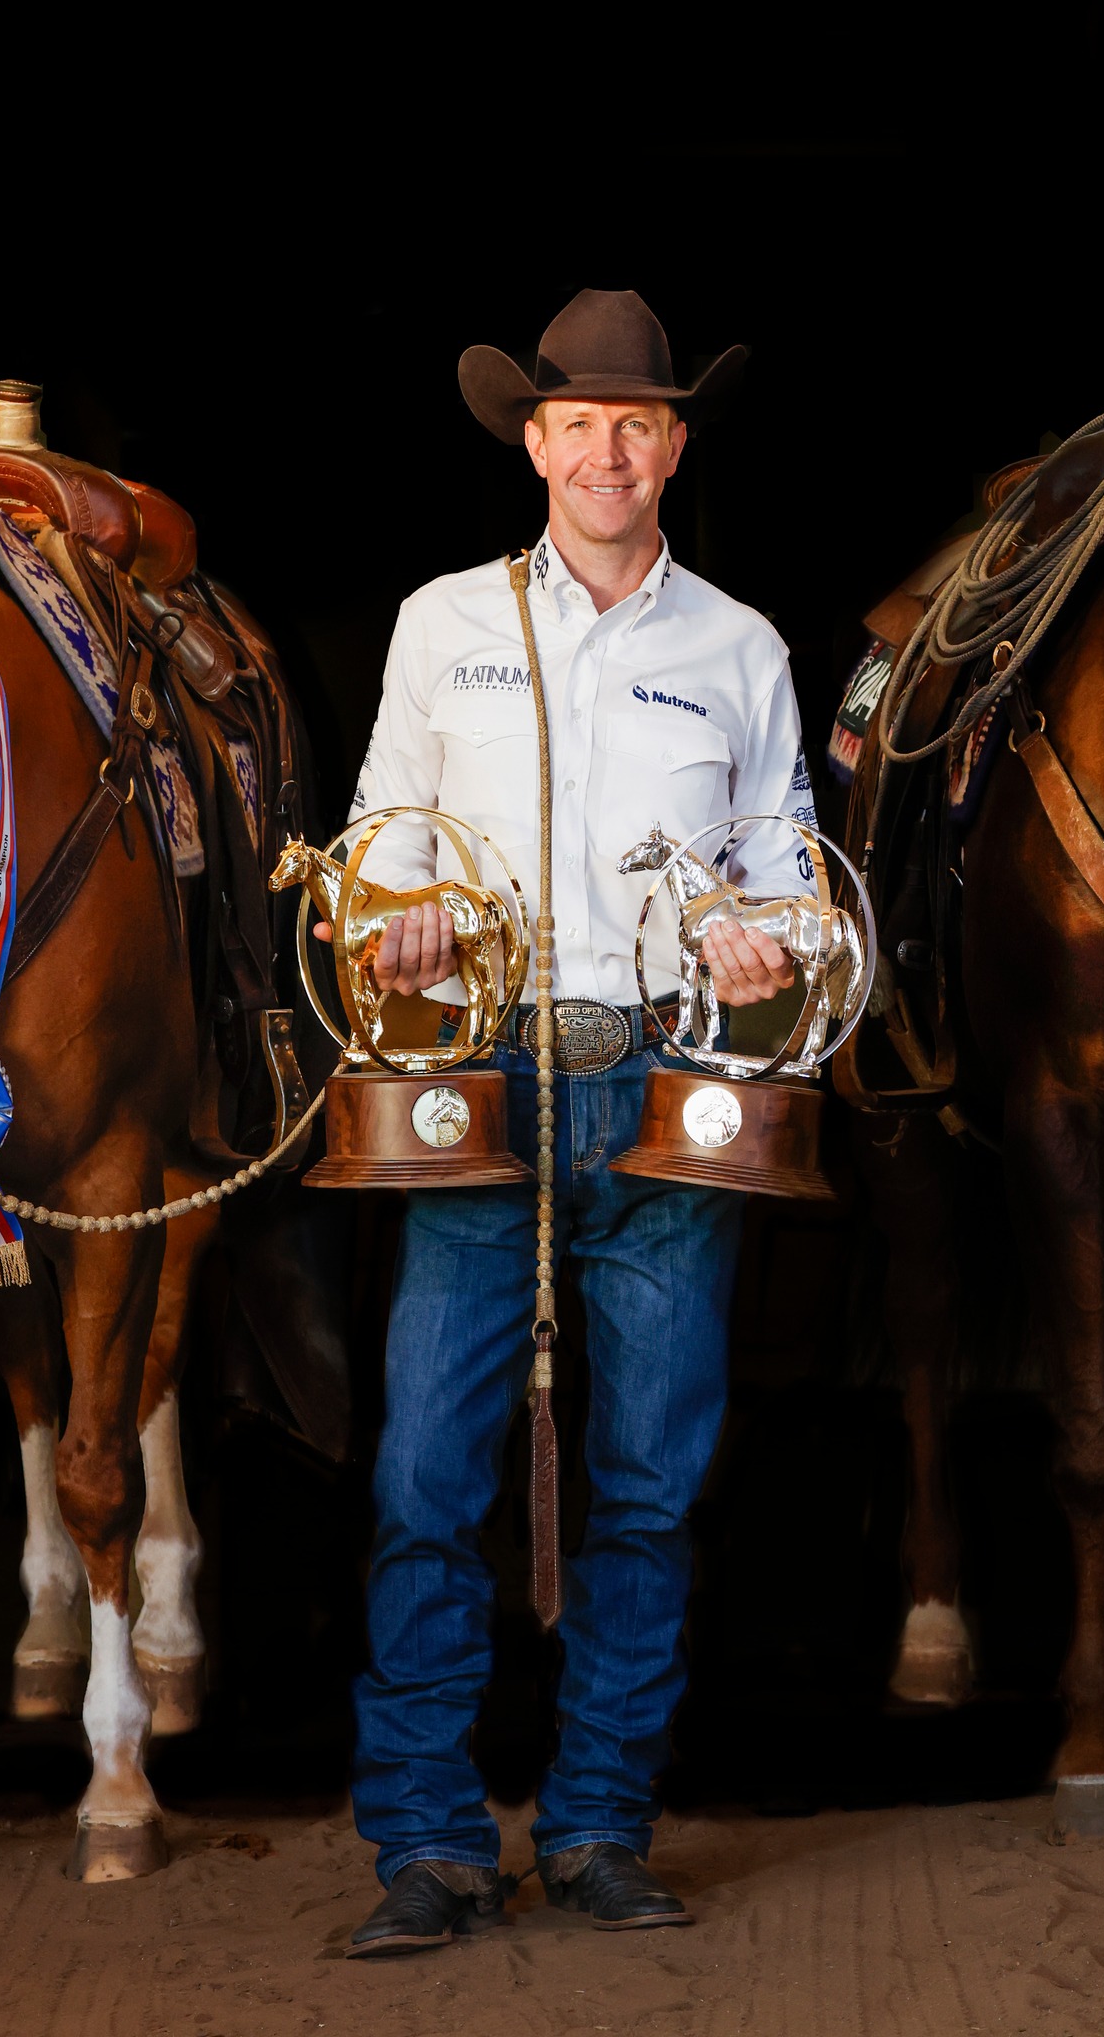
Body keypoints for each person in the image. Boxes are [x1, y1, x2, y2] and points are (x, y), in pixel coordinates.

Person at [334, 289, 815, 1956]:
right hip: (478, 1080)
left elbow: (789, 879)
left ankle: (600, 1821)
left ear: (675, 445)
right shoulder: (440, 623)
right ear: (533, 442)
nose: (609, 450)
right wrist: (396, 914)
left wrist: (764, 941)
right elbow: (383, 836)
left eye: (640, 422)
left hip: (667, 1085)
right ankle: (428, 1840)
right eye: (579, 423)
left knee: (652, 1478)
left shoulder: (740, 648)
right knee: (422, 1468)